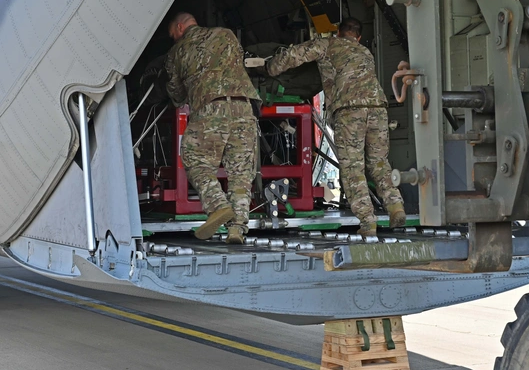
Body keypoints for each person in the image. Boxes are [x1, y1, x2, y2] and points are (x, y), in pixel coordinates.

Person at [265, 17, 406, 236]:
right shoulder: (365, 52)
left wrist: (271, 67)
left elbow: (296, 55)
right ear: (358, 37)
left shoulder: (329, 44)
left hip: (350, 111)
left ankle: (368, 222)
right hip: (378, 109)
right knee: (379, 163)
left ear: (338, 32)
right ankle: (395, 205)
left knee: (353, 168)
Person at [165, 12, 259, 244]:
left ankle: (218, 205)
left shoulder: (177, 51)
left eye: (172, 34)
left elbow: (177, 94)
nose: (174, 38)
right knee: (240, 173)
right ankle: (237, 229)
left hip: (211, 108)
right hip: (244, 107)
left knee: (194, 158)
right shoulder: (226, 34)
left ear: (180, 27)